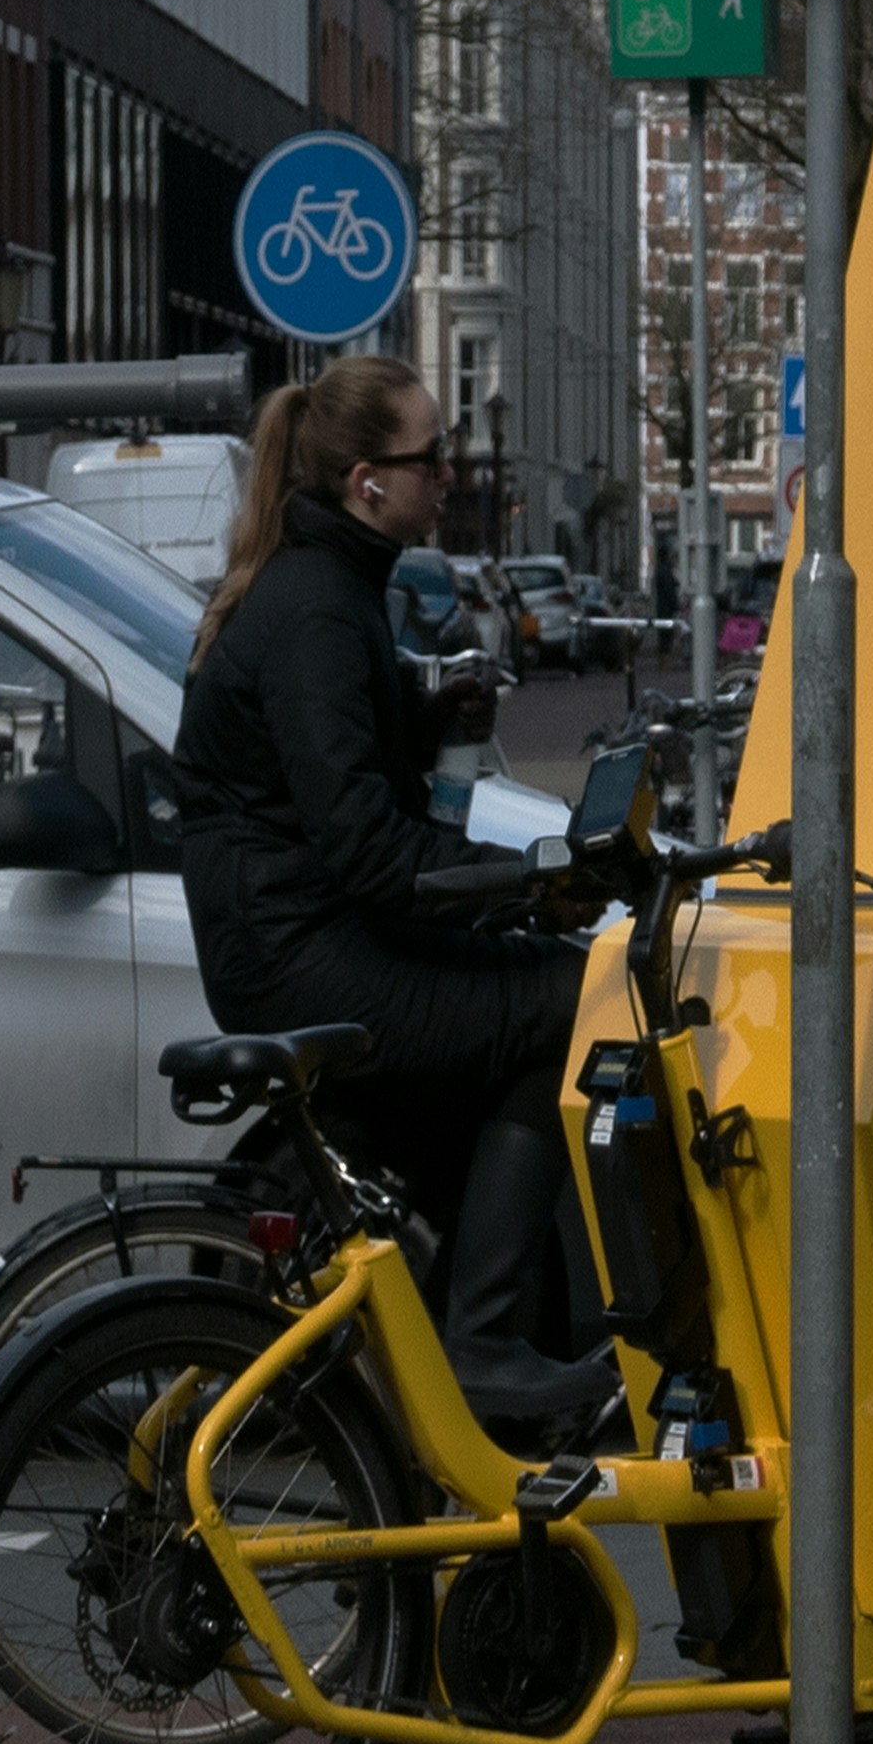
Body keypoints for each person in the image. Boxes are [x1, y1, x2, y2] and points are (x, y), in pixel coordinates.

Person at [173, 354, 616, 1451]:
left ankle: (470, 1345)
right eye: (433, 456)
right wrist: (526, 887)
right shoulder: (320, 609)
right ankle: (486, 1341)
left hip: (303, 933)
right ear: (368, 481)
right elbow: (365, 846)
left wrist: (425, 726)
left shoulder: (332, 587)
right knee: (564, 1005)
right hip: (301, 952)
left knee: (516, 998)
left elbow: (321, 773)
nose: (450, 475)